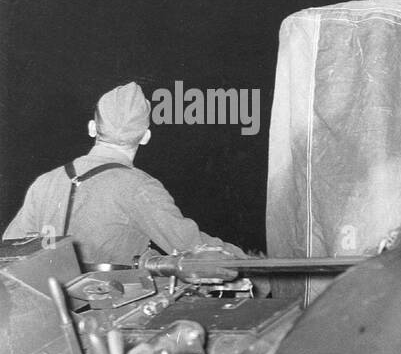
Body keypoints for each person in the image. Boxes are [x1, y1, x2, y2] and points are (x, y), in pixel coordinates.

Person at [3, 82, 244, 266]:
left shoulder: (44, 183)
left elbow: (10, 250)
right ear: (146, 136)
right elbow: (190, 245)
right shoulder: (138, 187)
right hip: (109, 314)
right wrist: (250, 264)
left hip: (48, 310)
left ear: (92, 128)